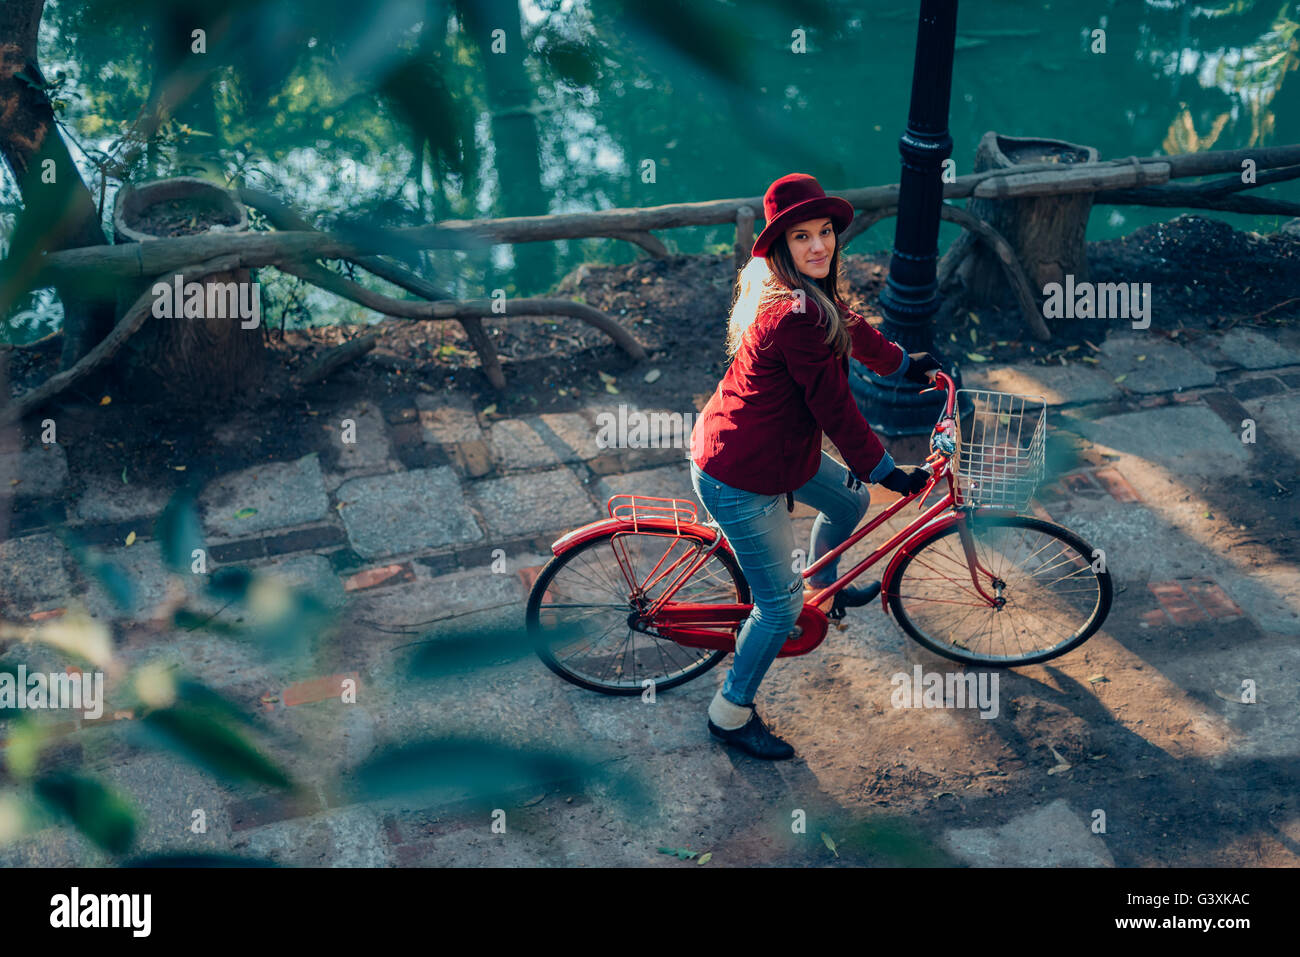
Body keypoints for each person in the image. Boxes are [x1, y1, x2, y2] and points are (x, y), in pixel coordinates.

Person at [688, 172, 946, 760]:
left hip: (768, 450)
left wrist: (903, 363)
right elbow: (834, 408)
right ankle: (729, 714)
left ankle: (822, 589)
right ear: (781, 246)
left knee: (848, 502)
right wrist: (886, 470)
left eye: (825, 232)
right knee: (776, 608)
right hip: (742, 474)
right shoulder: (793, 315)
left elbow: (850, 330)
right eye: (801, 236)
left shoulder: (807, 296)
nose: (818, 246)